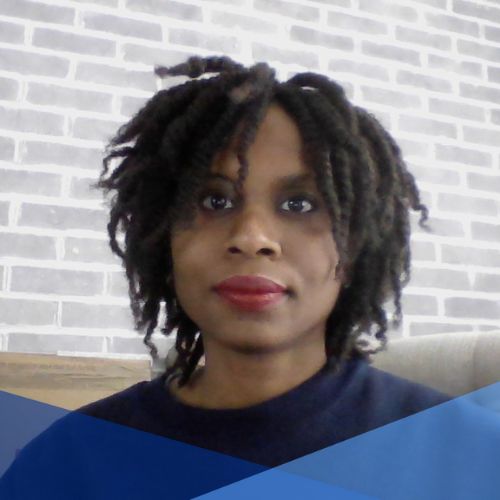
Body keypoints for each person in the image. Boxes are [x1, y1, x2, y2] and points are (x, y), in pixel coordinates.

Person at [1, 55, 461, 498]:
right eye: (214, 201)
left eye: (299, 204)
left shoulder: (463, 454)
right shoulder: (66, 465)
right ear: (163, 238)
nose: (252, 237)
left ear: (357, 247)